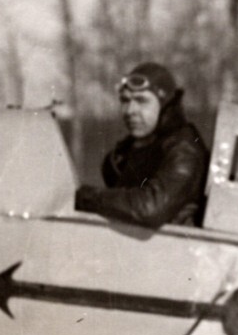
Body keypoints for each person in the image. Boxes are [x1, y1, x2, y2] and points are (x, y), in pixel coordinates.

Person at [74, 61, 209, 228]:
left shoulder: (184, 149)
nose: (130, 110)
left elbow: (150, 208)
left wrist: (85, 197)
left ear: (165, 105)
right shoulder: (129, 151)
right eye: (125, 100)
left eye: (141, 101)